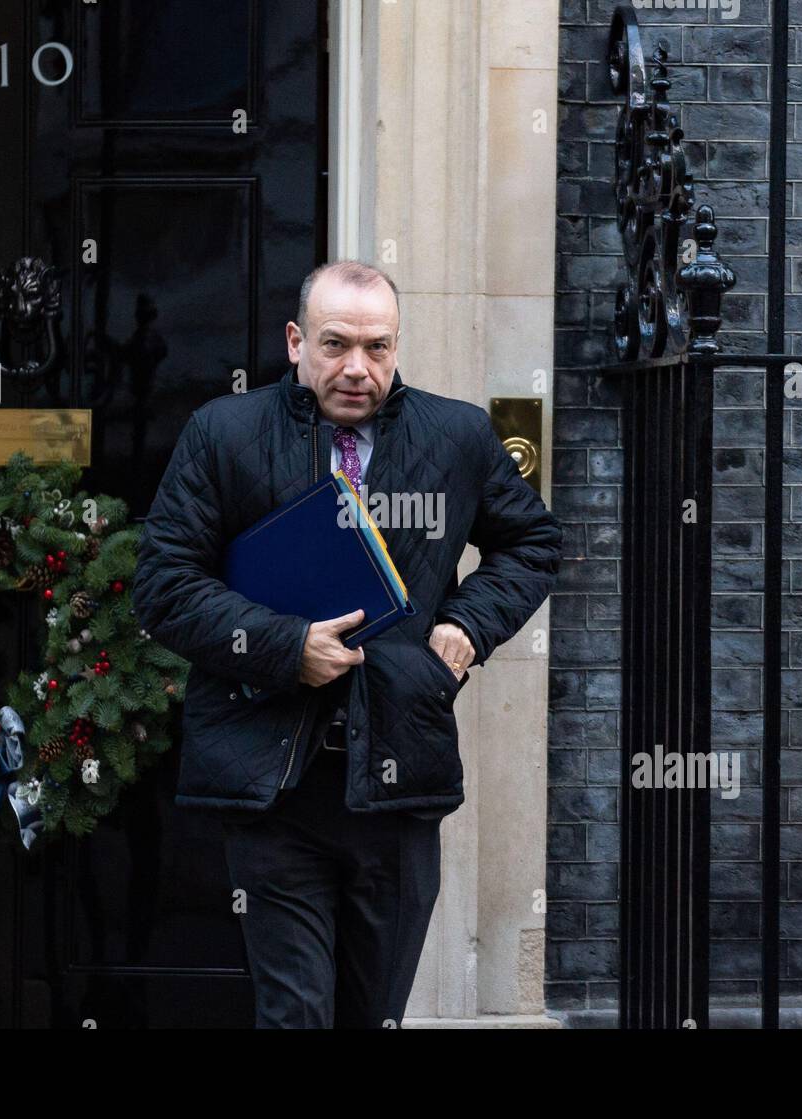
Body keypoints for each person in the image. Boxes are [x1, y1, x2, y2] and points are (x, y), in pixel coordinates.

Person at [132, 260, 561, 1028]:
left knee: (373, 1014)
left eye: (377, 347)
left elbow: (533, 542)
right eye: (335, 344)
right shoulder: (224, 433)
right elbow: (163, 585)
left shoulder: (458, 435)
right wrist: (284, 644)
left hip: (398, 780)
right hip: (275, 785)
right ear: (297, 342)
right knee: (295, 1015)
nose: (357, 368)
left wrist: (465, 627)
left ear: (397, 348)